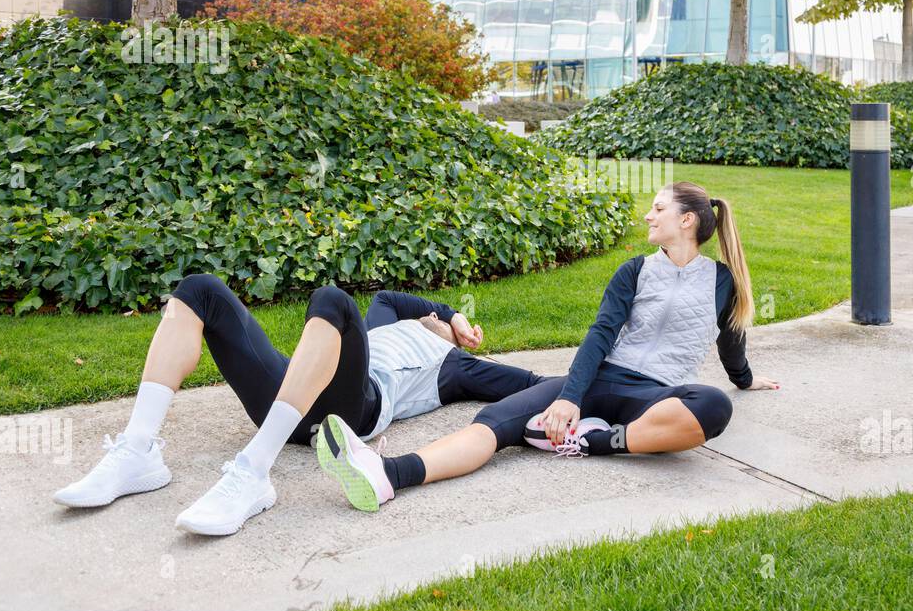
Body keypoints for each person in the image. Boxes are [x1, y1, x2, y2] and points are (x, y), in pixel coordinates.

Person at [314, 181, 781, 513]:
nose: (648, 216)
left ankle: (591, 441)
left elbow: (731, 340)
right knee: (494, 423)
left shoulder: (722, 281)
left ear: (687, 219)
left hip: (655, 397)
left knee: (713, 405)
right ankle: (387, 473)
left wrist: (745, 380)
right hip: (599, 380)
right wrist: (569, 397)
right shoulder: (635, 271)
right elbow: (600, 336)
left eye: (658, 209)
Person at [52, 275, 547, 535]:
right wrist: (450, 313)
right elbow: (393, 298)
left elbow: (532, 383)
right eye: (436, 322)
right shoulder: (386, 321)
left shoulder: (455, 366)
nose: (437, 325)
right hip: (292, 398)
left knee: (331, 297)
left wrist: (454, 339)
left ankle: (252, 474)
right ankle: (138, 451)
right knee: (199, 289)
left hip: (353, 411)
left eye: (443, 327)